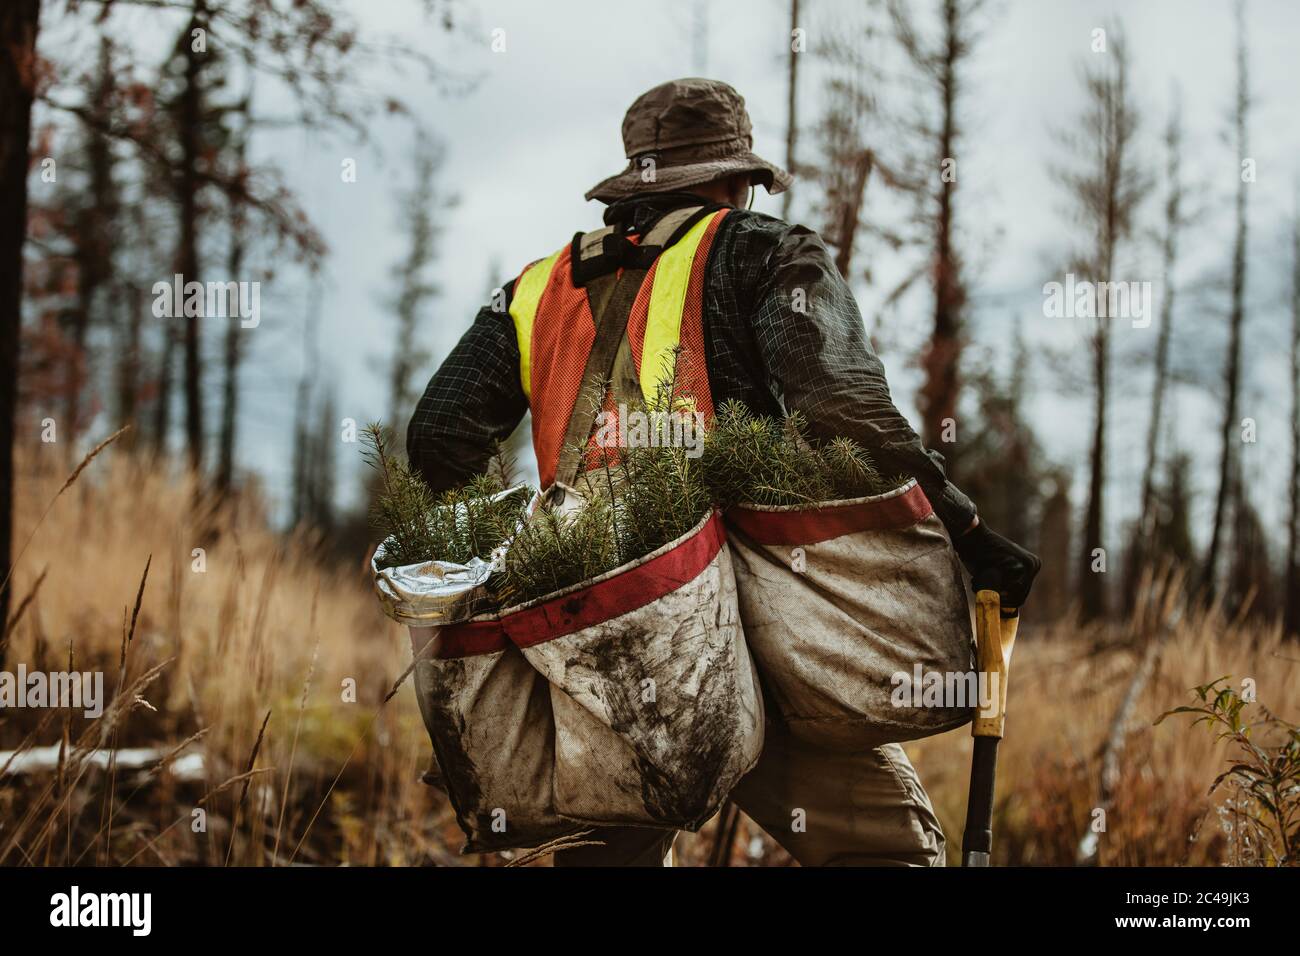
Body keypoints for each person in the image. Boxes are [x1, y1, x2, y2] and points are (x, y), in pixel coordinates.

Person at [408, 77, 1040, 866]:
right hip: (746, 636)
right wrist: (966, 528)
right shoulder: (765, 251)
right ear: (734, 179)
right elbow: (841, 409)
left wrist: (528, 558)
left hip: (596, 635)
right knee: (883, 852)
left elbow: (438, 438)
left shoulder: (534, 291)